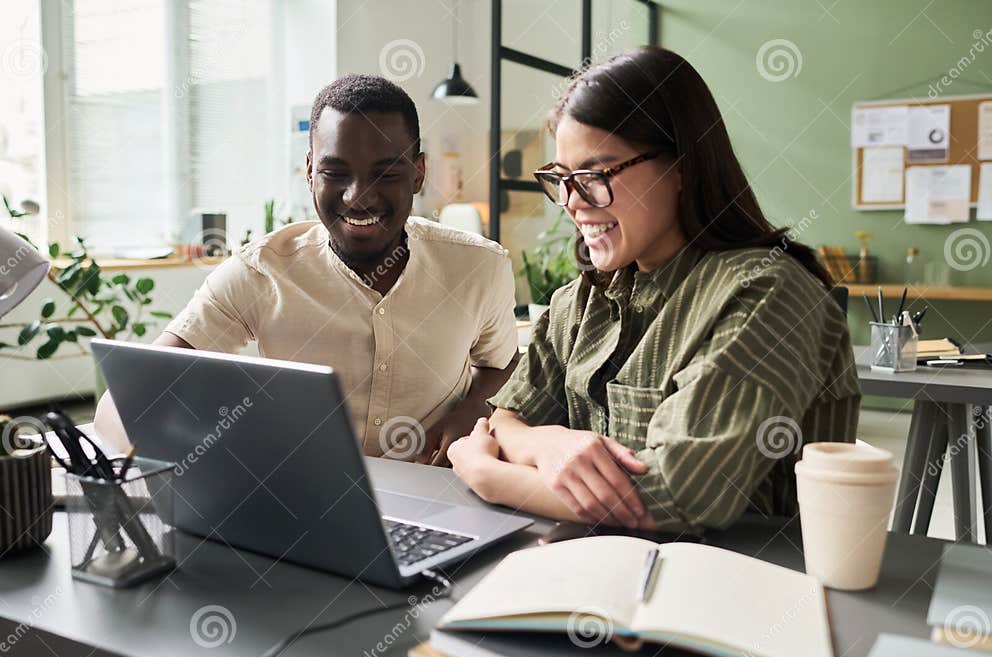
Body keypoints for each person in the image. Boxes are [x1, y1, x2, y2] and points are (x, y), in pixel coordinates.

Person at [447, 47, 861, 532]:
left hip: (736, 573)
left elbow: (680, 495)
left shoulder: (766, 292)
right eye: (562, 179)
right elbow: (502, 421)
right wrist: (547, 443)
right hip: (588, 563)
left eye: (595, 175)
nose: (573, 203)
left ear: (682, 164)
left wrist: (488, 475)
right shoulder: (579, 301)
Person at [94, 74, 518, 465]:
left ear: (418, 173)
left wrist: (473, 407)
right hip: (305, 494)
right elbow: (131, 397)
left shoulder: (479, 267)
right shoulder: (261, 272)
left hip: (438, 489)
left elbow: (501, 362)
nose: (358, 197)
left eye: (386, 173)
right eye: (335, 172)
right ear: (311, 171)